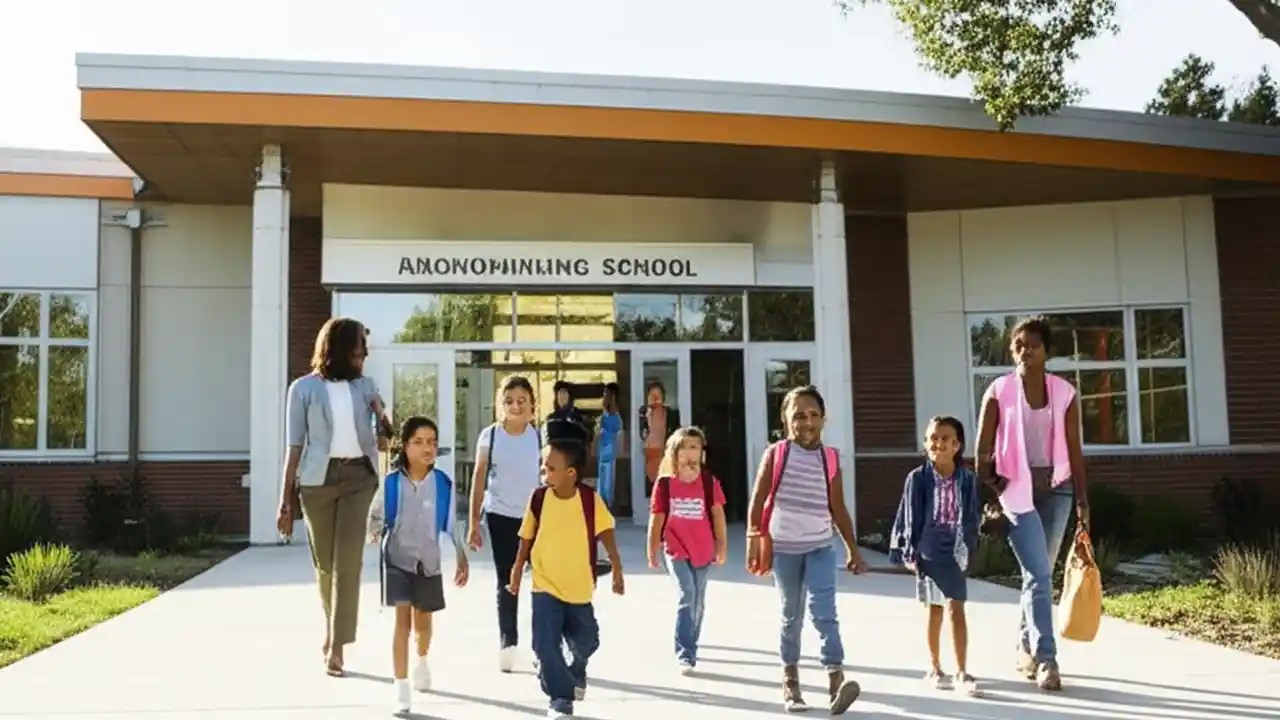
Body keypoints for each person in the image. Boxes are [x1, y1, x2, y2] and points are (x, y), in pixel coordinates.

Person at [976, 315, 1090, 692]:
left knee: (1038, 575)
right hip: (1016, 495)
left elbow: (1075, 451)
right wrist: (996, 485)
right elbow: (981, 451)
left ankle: (1024, 646)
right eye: (1019, 344)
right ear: (1012, 349)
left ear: (1047, 351)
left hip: (1058, 490)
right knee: (1039, 576)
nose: (1026, 350)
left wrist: (1083, 504)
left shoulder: (1065, 393)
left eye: (1033, 344)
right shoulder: (998, 391)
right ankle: (1047, 659)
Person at [745, 385, 867, 715]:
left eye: (813, 415)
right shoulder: (777, 454)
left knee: (825, 613)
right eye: (798, 415)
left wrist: (852, 549)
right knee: (791, 617)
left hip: (819, 547)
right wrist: (753, 539)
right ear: (785, 420)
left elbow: (837, 506)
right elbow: (757, 501)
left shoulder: (830, 459)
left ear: (824, 420)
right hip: (784, 549)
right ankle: (791, 681)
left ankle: (835, 679)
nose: (806, 422)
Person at [277, 317, 385, 678]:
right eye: (358, 349)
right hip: (316, 483)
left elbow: (382, 426)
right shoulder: (303, 389)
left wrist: (384, 423)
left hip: (358, 478)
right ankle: (331, 629)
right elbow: (294, 447)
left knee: (348, 563)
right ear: (338, 348)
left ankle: (337, 647)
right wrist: (284, 499)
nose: (363, 356)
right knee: (325, 566)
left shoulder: (365, 386)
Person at [508, 438, 625, 719]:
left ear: (570, 473)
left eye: (549, 468)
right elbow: (526, 538)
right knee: (544, 645)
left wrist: (617, 569)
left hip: (579, 587)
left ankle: (577, 667)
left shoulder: (588, 500)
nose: (543, 472)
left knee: (587, 641)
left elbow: (606, 533)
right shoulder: (538, 498)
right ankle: (561, 699)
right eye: (542, 466)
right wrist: (516, 568)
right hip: (544, 584)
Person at [368, 417, 470, 714]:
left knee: (422, 622)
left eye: (432, 442)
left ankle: (422, 658)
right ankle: (401, 686)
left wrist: (461, 555)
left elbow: (452, 524)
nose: (427, 448)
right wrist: (373, 531)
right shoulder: (391, 482)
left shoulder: (443, 484)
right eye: (419, 442)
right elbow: (377, 514)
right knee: (402, 621)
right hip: (397, 559)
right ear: (406, 445)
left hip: (429, 562)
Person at [889, 416, 981, 697]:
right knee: (934, 607)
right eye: (933, 438)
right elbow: (907, 513)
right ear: (926, 443)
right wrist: (907, 548)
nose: (938, 443)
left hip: (954, 546)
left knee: (956, 605)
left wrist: (972, 541)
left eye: (945, 438)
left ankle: (962, 671)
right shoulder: (917, 478)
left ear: (957, 445)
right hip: (927, 544)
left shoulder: (966, 478)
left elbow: (972, 513)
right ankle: (935, 666)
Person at [468, 374, 543, 672]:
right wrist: (474, 521)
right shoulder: (490, 436)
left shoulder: (539, 436)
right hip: (500, 516)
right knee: (507, 582)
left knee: (543, 583)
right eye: (509, 401)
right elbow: (478, 477)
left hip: (535, 519)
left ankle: (543, 645)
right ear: (500, 404)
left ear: (531, 406)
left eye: (522, 401)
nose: (515, 406)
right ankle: (508, 644)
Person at [646, 426, 727, 674]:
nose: (690, 452)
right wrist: (652, 547)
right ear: (675, 452)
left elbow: (717, 515)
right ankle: (685, 653)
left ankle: (692, 641)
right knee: (687, 594)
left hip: (703, 550)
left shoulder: (707, 482)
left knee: (699, 601)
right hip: (675, 548)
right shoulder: (666, 484)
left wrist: (721, 545)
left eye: (695, 447)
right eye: (685, 447)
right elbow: (657, 517)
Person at [639, 381, 680, 497]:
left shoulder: (671, 414)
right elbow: (641, 434)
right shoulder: (644, 414)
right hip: (650, 455)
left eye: (658, 395)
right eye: (652, 395)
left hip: (665, 454)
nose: (655, 398)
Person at [593, 382, 625, 509]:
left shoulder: (616, 417)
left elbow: (619, 434)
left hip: (611, 454)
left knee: (608, 483)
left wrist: (603, 431)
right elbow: (597, 434)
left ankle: (609, 506)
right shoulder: (603, 417)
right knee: (602, 482)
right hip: (603, 453)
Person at [545, 380, 591, 445]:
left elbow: (586, 436)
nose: (562, 397)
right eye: (559, 394)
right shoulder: (551, 418)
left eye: (564, 394)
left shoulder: (576, 416)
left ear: (570, 397)